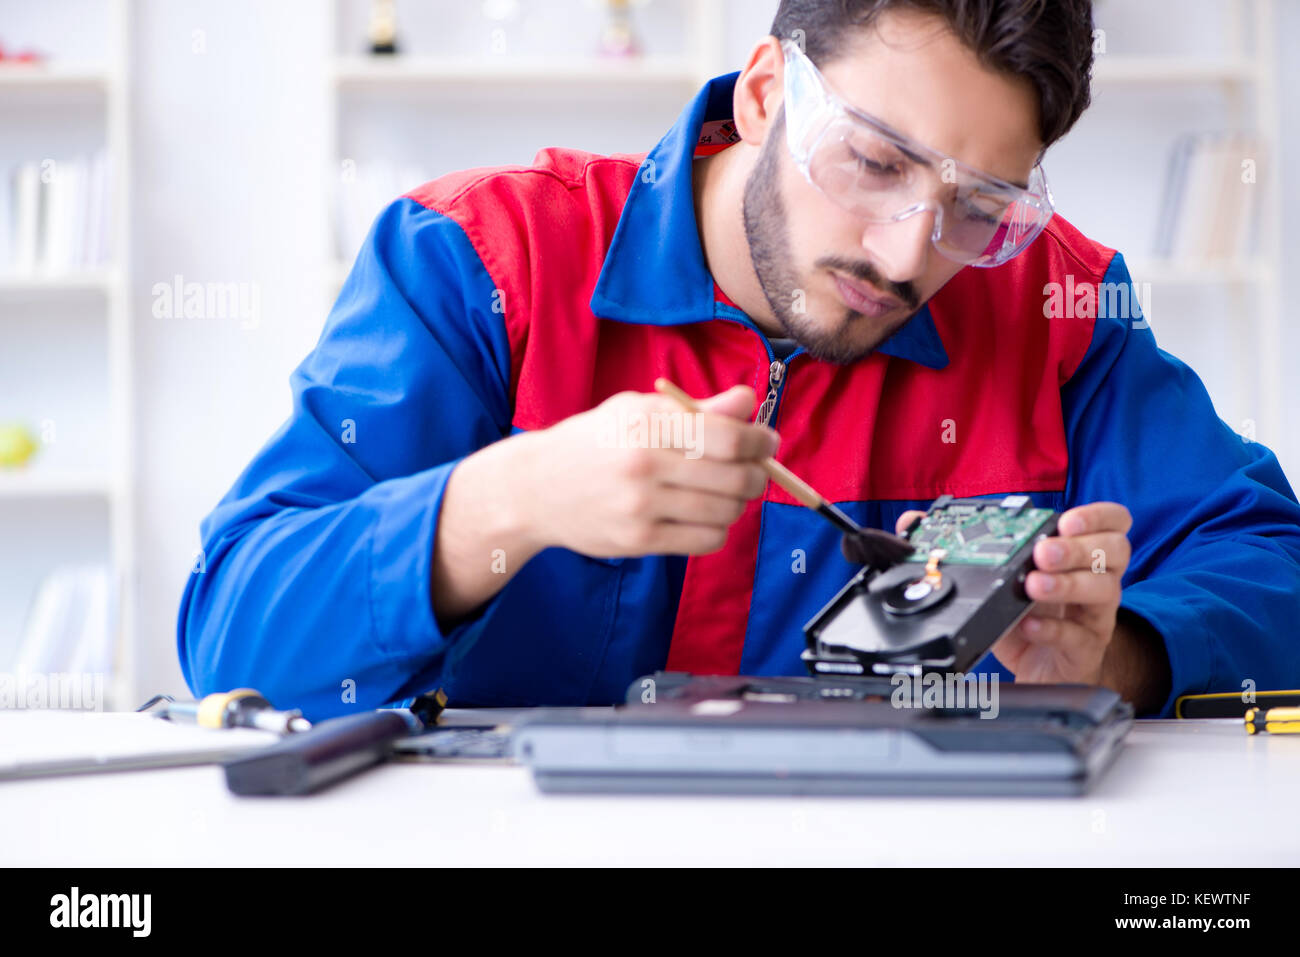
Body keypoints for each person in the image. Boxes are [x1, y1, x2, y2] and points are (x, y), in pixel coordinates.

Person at [178, 0, 1300, 721]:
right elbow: (234, 634)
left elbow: (1271, 565)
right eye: (871, 162)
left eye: (978, 207)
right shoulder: (477, 260)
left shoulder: (1052, 306)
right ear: (766, 92)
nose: (909, 249)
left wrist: (1121, 660)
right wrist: (501, 502)